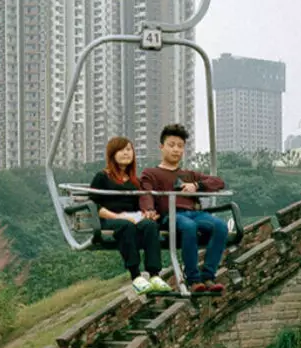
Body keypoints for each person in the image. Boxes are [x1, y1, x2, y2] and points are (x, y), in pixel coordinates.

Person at [139, 123, 227, 293]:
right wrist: (148, 209)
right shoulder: (151, 173)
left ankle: (208, 276)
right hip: (171, 215)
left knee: (220, 226)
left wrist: (196, 185)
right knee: (189, 227)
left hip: (194, 213)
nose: (176, 150)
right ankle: (193, 279)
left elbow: (218, 182)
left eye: (180, 146)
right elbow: (146, 193)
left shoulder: (188, 175)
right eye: (171, 145)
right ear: (162, 147)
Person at [89, 136, 170, 294]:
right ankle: (136, 275)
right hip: (110, 219)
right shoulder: (102, 177)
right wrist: (118, 217)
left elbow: (140, 204)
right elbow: (94, 205)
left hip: (132, 217)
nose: (126, 153)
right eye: (121, 150)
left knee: (150, 225)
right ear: (112, 154)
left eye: (128, 149)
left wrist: (148, 213)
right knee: (126, 226)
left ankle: (154, 274)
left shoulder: (134, 181)